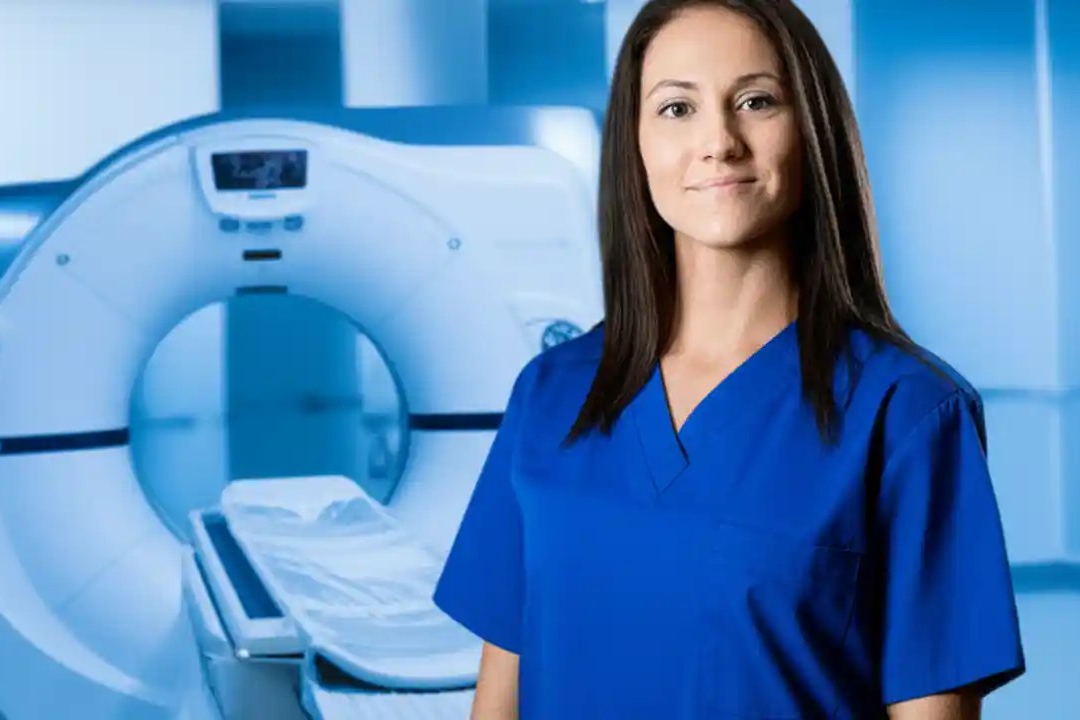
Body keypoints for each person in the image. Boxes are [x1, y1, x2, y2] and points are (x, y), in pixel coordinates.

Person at [432, 0, 1026, 717]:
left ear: (812, 130)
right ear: (636, 144)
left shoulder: (908, 414)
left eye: (756, 101)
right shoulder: (551, 394)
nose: (719, 141)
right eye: (676, 108)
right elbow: (500, 700)